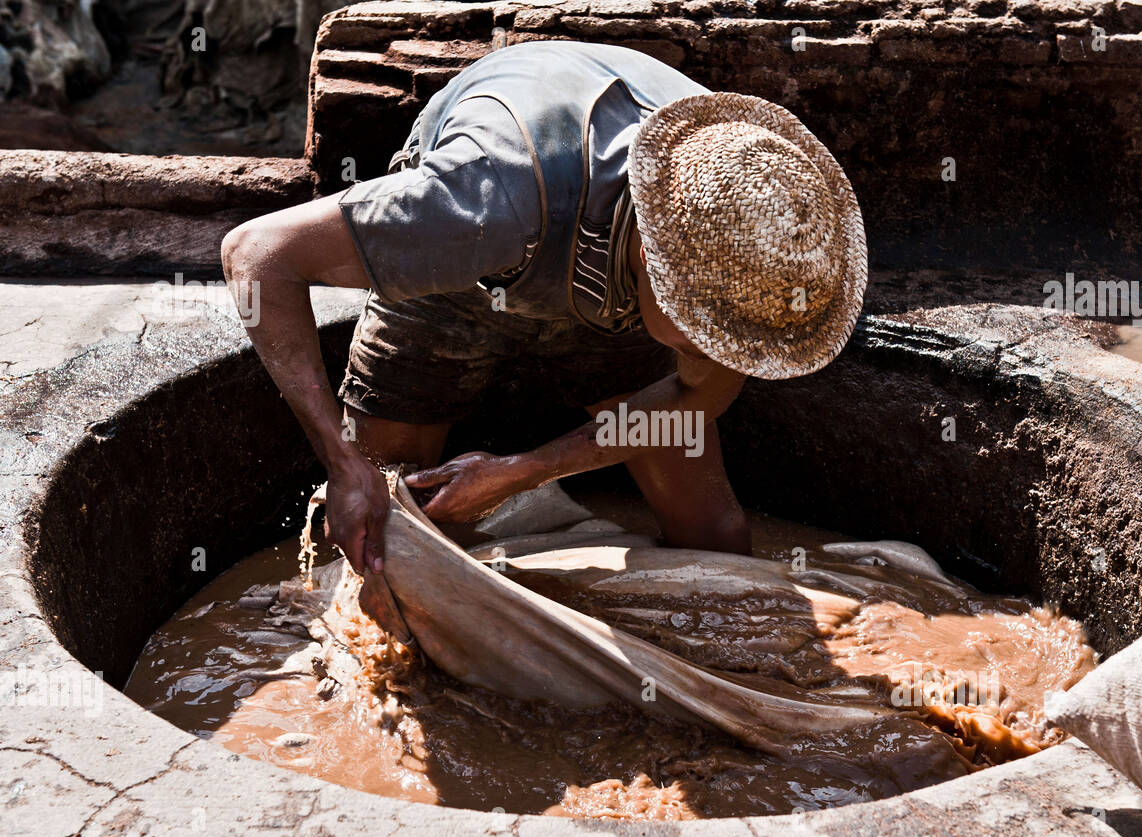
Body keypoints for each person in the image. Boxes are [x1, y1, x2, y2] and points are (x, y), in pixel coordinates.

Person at [221, 39, 868, 575]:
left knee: (716, 536)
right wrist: (340, 461)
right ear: (651, 264)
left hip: (599, 259)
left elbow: (696, 399)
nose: (721, 357)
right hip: (466, 268)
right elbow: (257, 255)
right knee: (382, 528)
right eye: (706, 335)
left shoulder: (742, 205)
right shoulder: (476, 204)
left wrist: (521, 471)